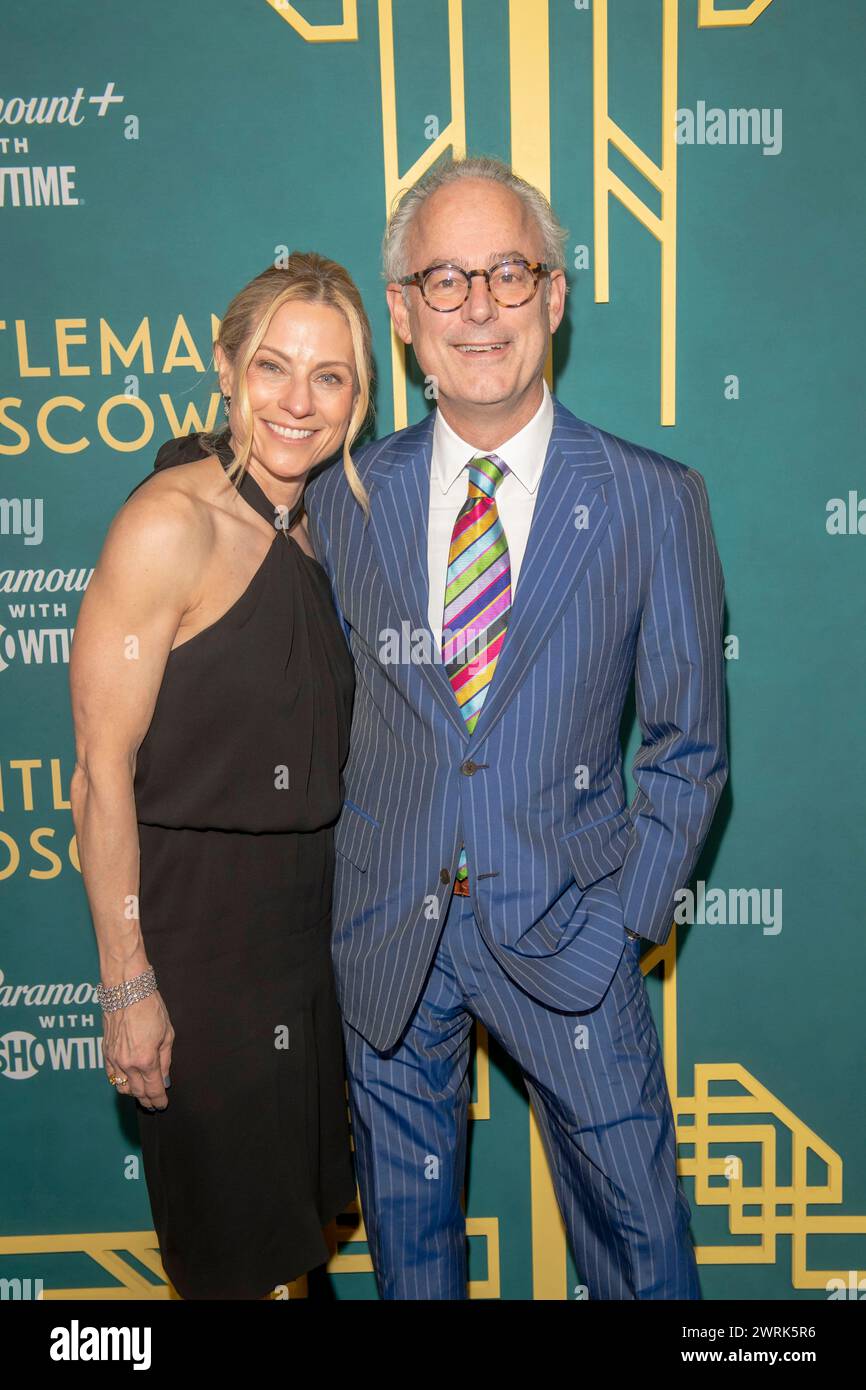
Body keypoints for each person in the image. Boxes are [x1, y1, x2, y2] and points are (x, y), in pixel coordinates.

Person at [304, 156, 728, 1300]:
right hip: (391, 942)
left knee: (646, 1262)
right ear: (400, 315)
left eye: (508, 272)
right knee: (411, 1267)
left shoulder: (653, 498)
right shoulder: (342, 501)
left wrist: (622, 927)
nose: (478, 308)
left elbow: (689, 752)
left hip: (571, 943)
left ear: (554, 295)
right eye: (444, 280)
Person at [69, 253, 373, 1300]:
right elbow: (99, 775)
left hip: (312, 932)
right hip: (202, 945)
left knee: (294, 1242)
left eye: (328, 377)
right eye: (273, 368)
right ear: (224, 369)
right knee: (233, 1260)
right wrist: (128, 985)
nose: (298, 402)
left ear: (359, 393)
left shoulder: (336, 527)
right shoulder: (168, 524)